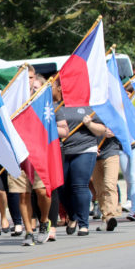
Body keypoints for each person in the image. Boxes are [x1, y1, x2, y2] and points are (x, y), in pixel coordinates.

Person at [53, 80, 105, 236]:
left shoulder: (87, 106)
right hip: (62, 151)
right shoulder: (55, 107)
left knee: (79, 186)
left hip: (85, 149)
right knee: (62, 188)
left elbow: (101, 130)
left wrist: (89, 124)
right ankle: (73, 215)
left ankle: (83, 223)